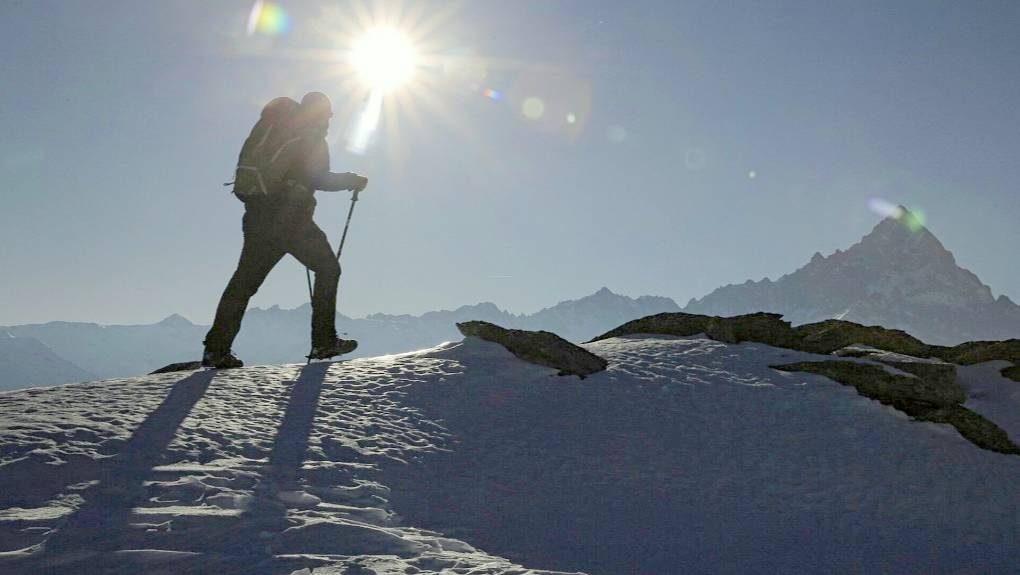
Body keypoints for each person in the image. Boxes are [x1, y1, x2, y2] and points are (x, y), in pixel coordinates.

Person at [202, 92, 367, 368]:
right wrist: (352, 180)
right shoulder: (311, 136)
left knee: (243, 284)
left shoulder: (278, 129)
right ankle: (324, 341)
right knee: (328, 269)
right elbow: (318, 178)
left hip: (258, 216)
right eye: (328, 113)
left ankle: (216, 350)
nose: (329, 119)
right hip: (291, 219)